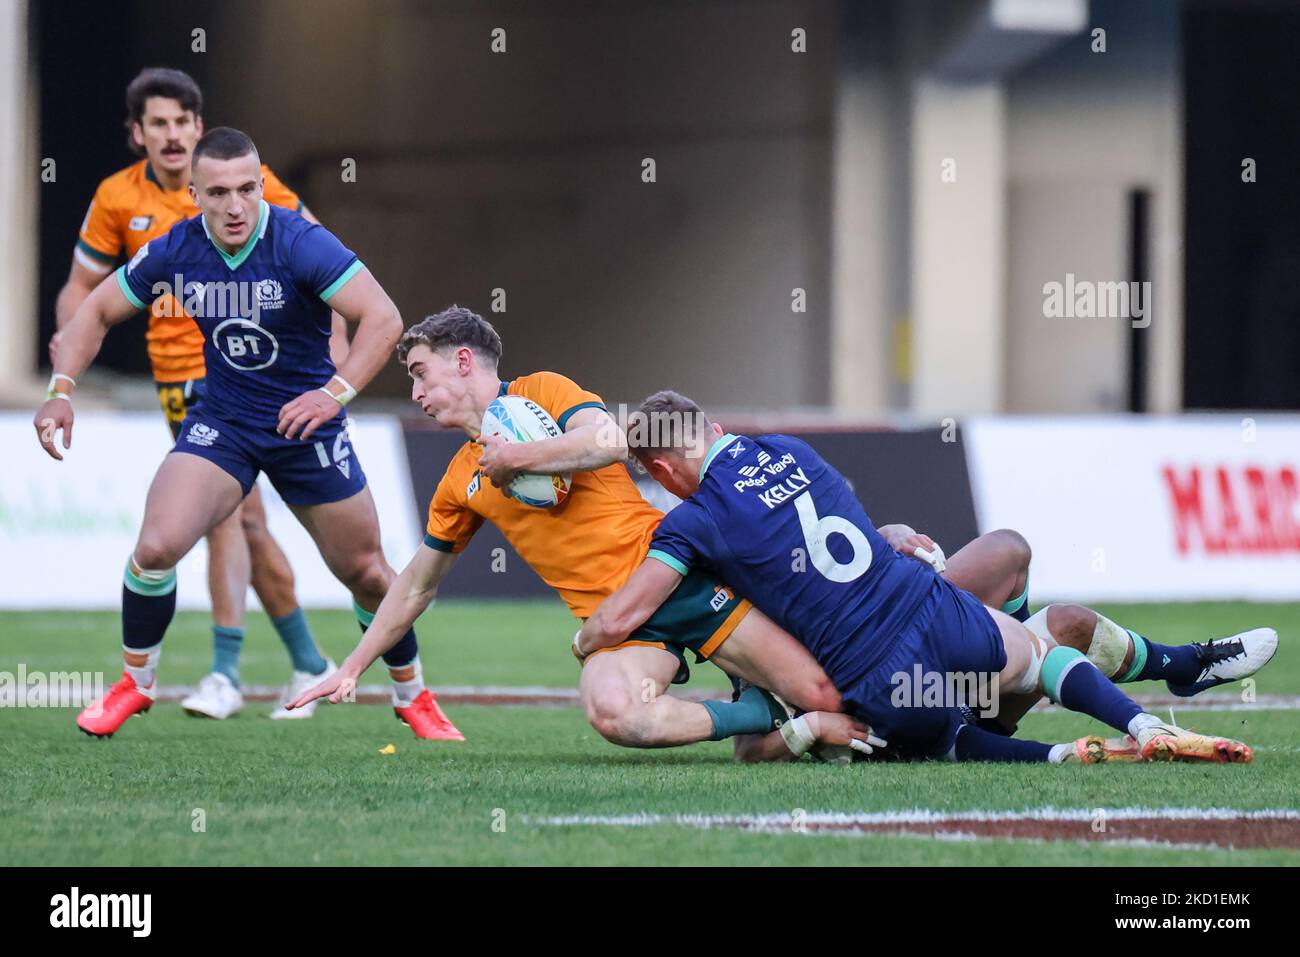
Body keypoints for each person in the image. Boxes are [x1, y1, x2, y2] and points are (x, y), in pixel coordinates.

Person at [577, 390, 1262, 765]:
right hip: (919, 628)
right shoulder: (787, 447)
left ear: (661, 473)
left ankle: (1156, 682)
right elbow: (817, 534)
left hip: (876, 670)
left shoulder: (691, 526)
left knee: (1013, 559)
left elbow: (622, 615)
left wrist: (585, 641)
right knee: (1054, 636)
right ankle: (1138, 715)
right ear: (715, 425)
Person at [38, 127, 456, 740]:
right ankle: (135, 683)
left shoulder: (299, 241)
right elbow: (95, 311)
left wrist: (332, 393)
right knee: (155, 548)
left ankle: (412, 695)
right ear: (194, 195)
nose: (235, 206)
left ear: (260, 185)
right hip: (225, 423)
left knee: (366, 571)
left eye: (246, 189)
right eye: (218, 193)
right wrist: (60, 391)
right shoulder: (173, 250)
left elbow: (383, 318)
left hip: (306, 424)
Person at [51, 67, 341, 720]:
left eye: (184, 121)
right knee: (244, 522)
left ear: (199, 128)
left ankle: (228, 672)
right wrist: (69, 343)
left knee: (233, 518)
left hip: (256, 373)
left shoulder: (236, 186)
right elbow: (83, 288)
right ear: (138, 134)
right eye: (159, 122)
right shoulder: (116, 198)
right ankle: (303, 661)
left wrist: (335, 368)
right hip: (178, 379)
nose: (173, 133)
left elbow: (329, 262)